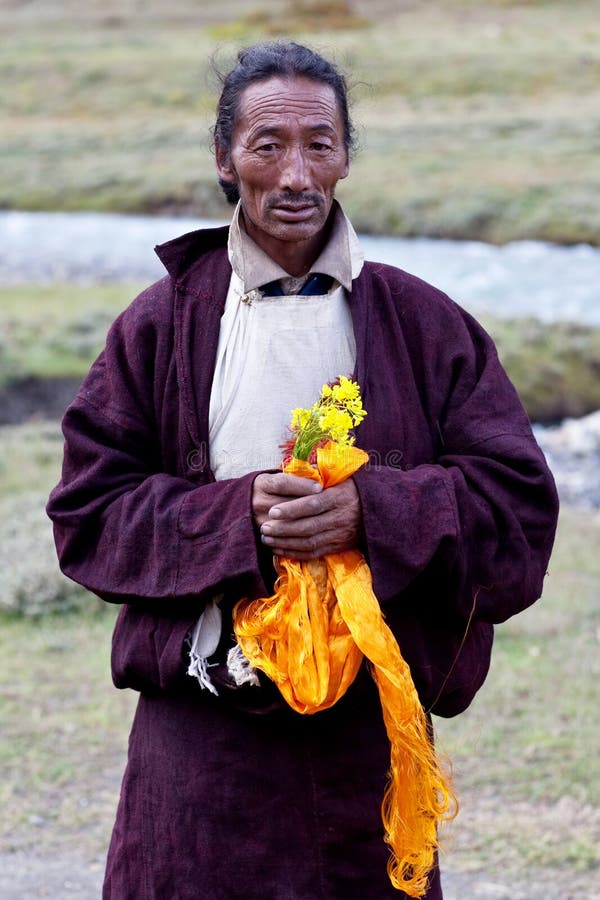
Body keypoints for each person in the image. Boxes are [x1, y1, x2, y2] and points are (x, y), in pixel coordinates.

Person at [47, 41, 559, 900]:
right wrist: (238, 517)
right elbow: (90, 516)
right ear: (224, 158)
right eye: (267, 145)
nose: (296, 175)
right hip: (201, 746)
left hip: (369, 739)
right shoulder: (161, 325)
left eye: (319, 145)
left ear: (346, 157)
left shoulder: (425, 324)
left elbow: (519, 512)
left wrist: (376, 511)